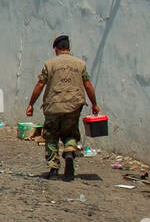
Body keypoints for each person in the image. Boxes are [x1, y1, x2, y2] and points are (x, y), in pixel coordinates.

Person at [25, 34, 99, 181]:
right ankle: (70, 152)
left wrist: (31, 104)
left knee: (51, 136)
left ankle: (53, 169)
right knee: (70, 132)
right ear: (69, 47)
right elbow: (88, 85)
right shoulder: (80, 64)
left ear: (56, 49)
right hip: (74, 106)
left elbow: (40, 84)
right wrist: (94, 103)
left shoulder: (49, 64)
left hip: (53, 106)